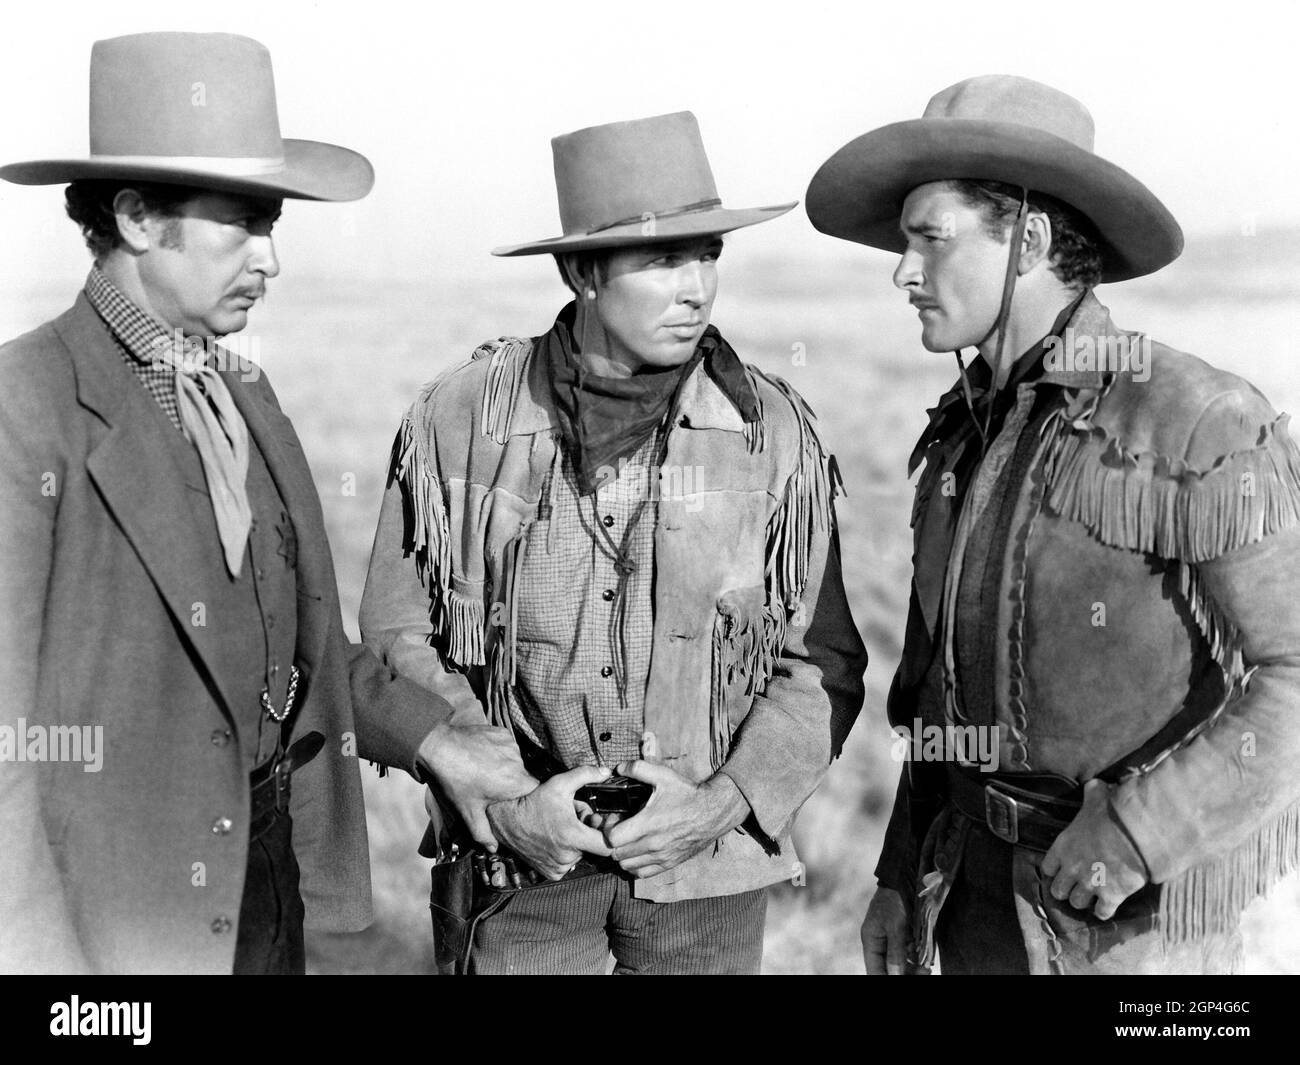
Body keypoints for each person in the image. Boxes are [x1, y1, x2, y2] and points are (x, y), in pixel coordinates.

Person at [0, 31, 531, 975]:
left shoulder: (245, 394)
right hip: (115, 923)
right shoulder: (24, 406)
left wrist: (436, 738)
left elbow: (297, 644)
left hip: (269, 883)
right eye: (242, 222)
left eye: (273, 224)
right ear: (133, 218)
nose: (269, 259)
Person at [806, 75, 1300, 974]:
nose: (902, 271)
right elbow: (930, 691)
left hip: (1128, 930)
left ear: (1028, 240)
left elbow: (1295, 670)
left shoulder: (1194, 419)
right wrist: (893, 873)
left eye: (930, 239)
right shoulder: (960, 430)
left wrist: (1148, 829)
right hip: (961, 896)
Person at [360, 110, 868, 974]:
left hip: (700, 881)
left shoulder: (771, 432)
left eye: (708, 254)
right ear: (580, 270)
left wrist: (718, 806)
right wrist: (512, 800)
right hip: (518, 867)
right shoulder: (462, 419)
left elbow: (818, 665)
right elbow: (400, 636)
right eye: (663, 258)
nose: (697, 287)